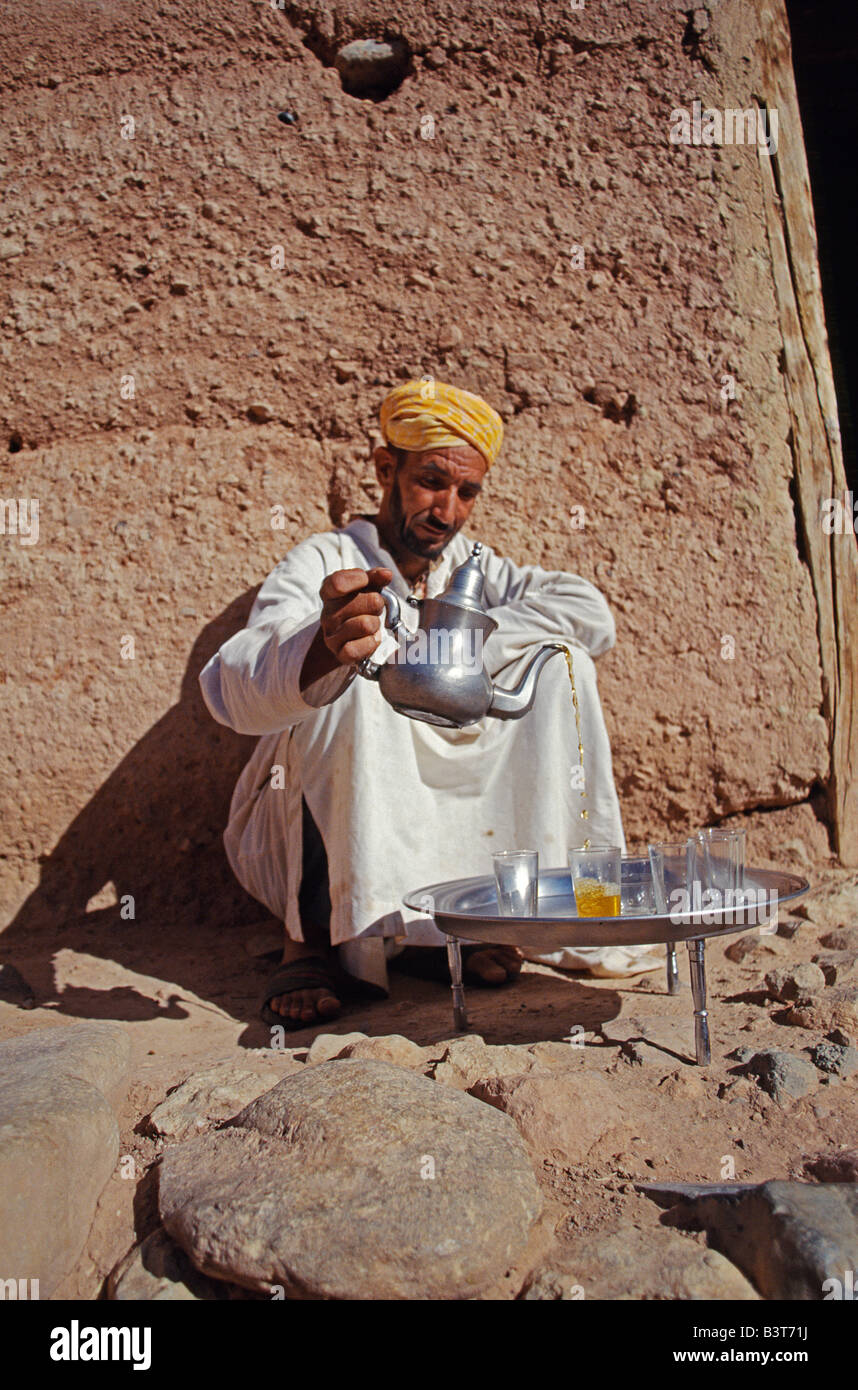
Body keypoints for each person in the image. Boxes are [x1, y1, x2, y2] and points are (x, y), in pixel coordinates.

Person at [199, 379, 661, 1028]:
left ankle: (447, 925)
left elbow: (590, 617)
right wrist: (326, 645)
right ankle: (311, 943)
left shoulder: (472, 568)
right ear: (387, 470)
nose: (447, 509)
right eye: (431, 481)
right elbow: (229, 686)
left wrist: (447, 640)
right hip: (304, 803)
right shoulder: (328, 558)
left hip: (432, 780)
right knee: (350, 681)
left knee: (562, 664)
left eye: (466, 492)